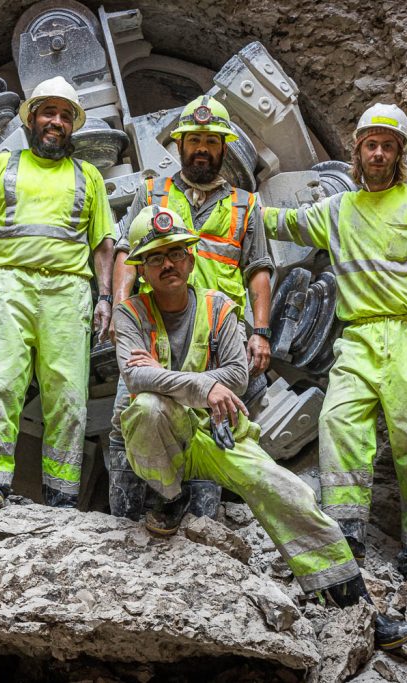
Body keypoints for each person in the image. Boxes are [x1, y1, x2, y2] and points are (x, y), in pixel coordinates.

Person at [115, 205, 407, 650]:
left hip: (220, 434)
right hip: (169, 435)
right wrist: (203, 386)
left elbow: (239, 375)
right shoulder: (130, 314)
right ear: (141, 268)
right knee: (147, 408)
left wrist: (185, 382)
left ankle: (354, 604)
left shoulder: (218, 307)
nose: (168, 264)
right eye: (156, 257)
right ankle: (170, 498)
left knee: (289, 491)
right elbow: (136, 377)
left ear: (191, 258)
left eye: (177, 253)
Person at [264, 103, 407, 598]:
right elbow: (281, 223)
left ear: (399, 152)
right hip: (360, 336)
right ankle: (346, 535)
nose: (380, 152)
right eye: (371, 144)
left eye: (389, 145)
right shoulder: (339, 210)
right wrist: (231, 206)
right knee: (339, 423)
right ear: (359, 152)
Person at [0, 76, 115, 514]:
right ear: (32, 118)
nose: (56, 122)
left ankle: (61, 494)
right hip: (11, 285)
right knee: (0, 384)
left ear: (73, 126)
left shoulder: (89, 177)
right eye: (48, 112)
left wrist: (106, 299)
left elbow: (103, 244)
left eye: (65, 115)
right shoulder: (0, 167)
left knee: (68, 396)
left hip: (69, 292)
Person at [106, 95, 274, 520]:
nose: (202, 148)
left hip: (217, 336)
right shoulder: (153, 192)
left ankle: (199, 518)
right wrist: (122, 311)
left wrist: (260, 330)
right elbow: (126, 251)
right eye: (194, 139)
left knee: (211, 419)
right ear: (179, 145)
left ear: (224, 147)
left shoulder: (245, 204)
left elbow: (258, 270)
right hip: (154, 330)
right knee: (132, 413)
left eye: (212, 141)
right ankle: (125, 516)